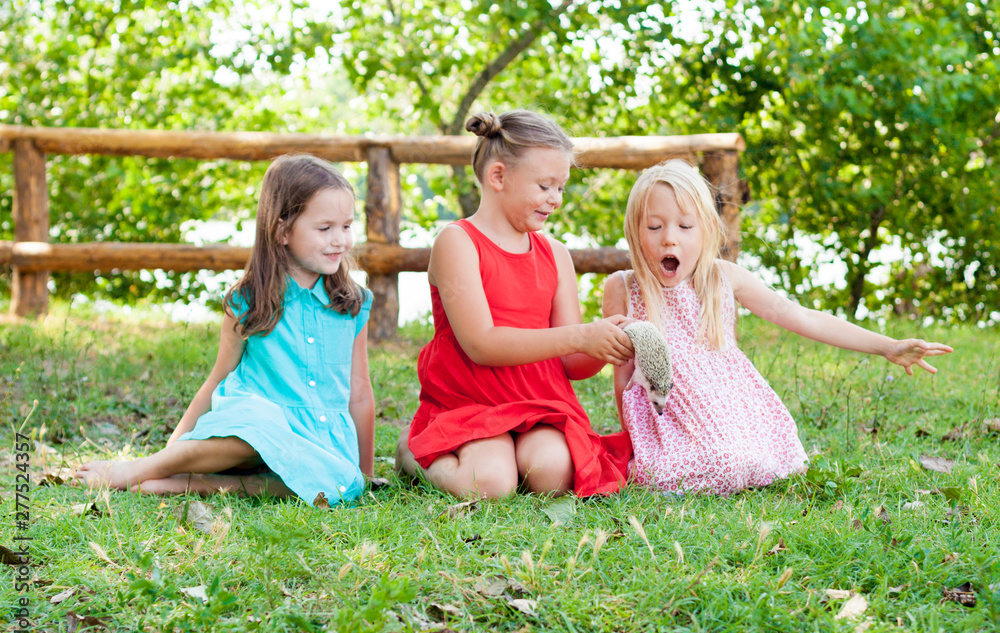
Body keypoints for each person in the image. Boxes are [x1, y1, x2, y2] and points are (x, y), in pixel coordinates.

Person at [603, 159, 953, 496]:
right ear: (635, 232)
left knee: (752, 463)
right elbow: (623, 380)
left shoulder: (721, 278)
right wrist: (635, 446)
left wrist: (887, 346)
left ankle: (745, 460)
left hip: (732, 415)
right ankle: (706, 464)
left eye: (685, 226)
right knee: (714, 468)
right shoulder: (623, 287)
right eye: (654, 227)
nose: (669, 238)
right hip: (673, 426)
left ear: (706, 229)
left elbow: (801, 316)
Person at [75, 155, 375, 504]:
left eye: (347, 226)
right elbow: (218, 378)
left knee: (340, 486)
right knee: (255, 429)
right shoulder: (249, 301)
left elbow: (359, 391)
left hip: (316, 440)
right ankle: (145, 469)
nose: (340, 240)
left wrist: (363, 473)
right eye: (325, 228)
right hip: (254, 424)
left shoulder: (352, 303)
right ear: (282, 231)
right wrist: (173, 448)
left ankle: (196, 483)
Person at [395, 110, 634, 499]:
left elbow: (573, 363)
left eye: (561, 188)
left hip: (538, 400)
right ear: (499, 177)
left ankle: (511, 453)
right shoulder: (458, 242)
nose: (555, 199)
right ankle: (413, 450)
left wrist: (605, 344)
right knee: (490, 484)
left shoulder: (555, 254)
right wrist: (578, 335)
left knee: (552, 474)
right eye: (545, 186)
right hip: (471, 399)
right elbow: (481, 343)